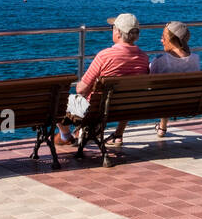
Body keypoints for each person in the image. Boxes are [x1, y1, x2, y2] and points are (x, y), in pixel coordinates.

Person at [57, 13, 150, 147]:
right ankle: (92, 131)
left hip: (97, 110)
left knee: (57, 101)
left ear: (118, 33)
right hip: (126, 107)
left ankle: (65, 135)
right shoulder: (144, 58)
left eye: (112, 27)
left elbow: (81, 89)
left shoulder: (105, 56)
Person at [149, 21, 201, 136]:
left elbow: (149, 83)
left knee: (164, 94)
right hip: (188, 103)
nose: (161, 40)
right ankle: (162, 127)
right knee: (168, 93)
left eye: (163, 37)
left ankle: (162, 127)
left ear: (171, 39)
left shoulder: (159, 60)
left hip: (163, 103)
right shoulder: (196, 59)